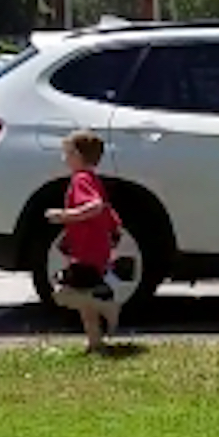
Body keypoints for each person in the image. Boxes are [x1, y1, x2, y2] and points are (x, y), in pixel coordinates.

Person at [46, 129, 123, 354]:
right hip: (92, 248)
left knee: (64, 294)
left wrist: (65, 215)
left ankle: (107, 307)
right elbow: (107, 212)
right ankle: (94, 341)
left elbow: (95, 206)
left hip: (88, 250)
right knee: (84, 296)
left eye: (67, 153)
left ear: (78, 155)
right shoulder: (93, 179)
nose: (64, 158)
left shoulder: (81, 180)